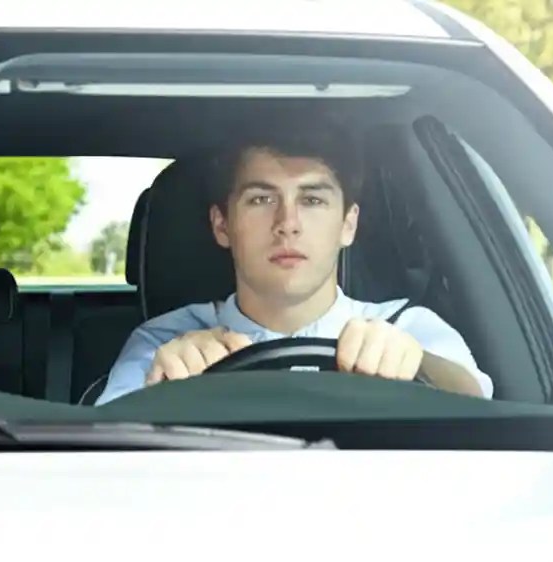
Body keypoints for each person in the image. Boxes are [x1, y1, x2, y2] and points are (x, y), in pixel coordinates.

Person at [96, 118, 493, 405]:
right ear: (222, 225)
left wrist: (417, 364)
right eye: (261, 199)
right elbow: (105, 448)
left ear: (348, 224)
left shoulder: (404, 326)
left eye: (312, 200)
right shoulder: (164, 341)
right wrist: (160, 390)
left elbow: (480, 408)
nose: (288, 223)